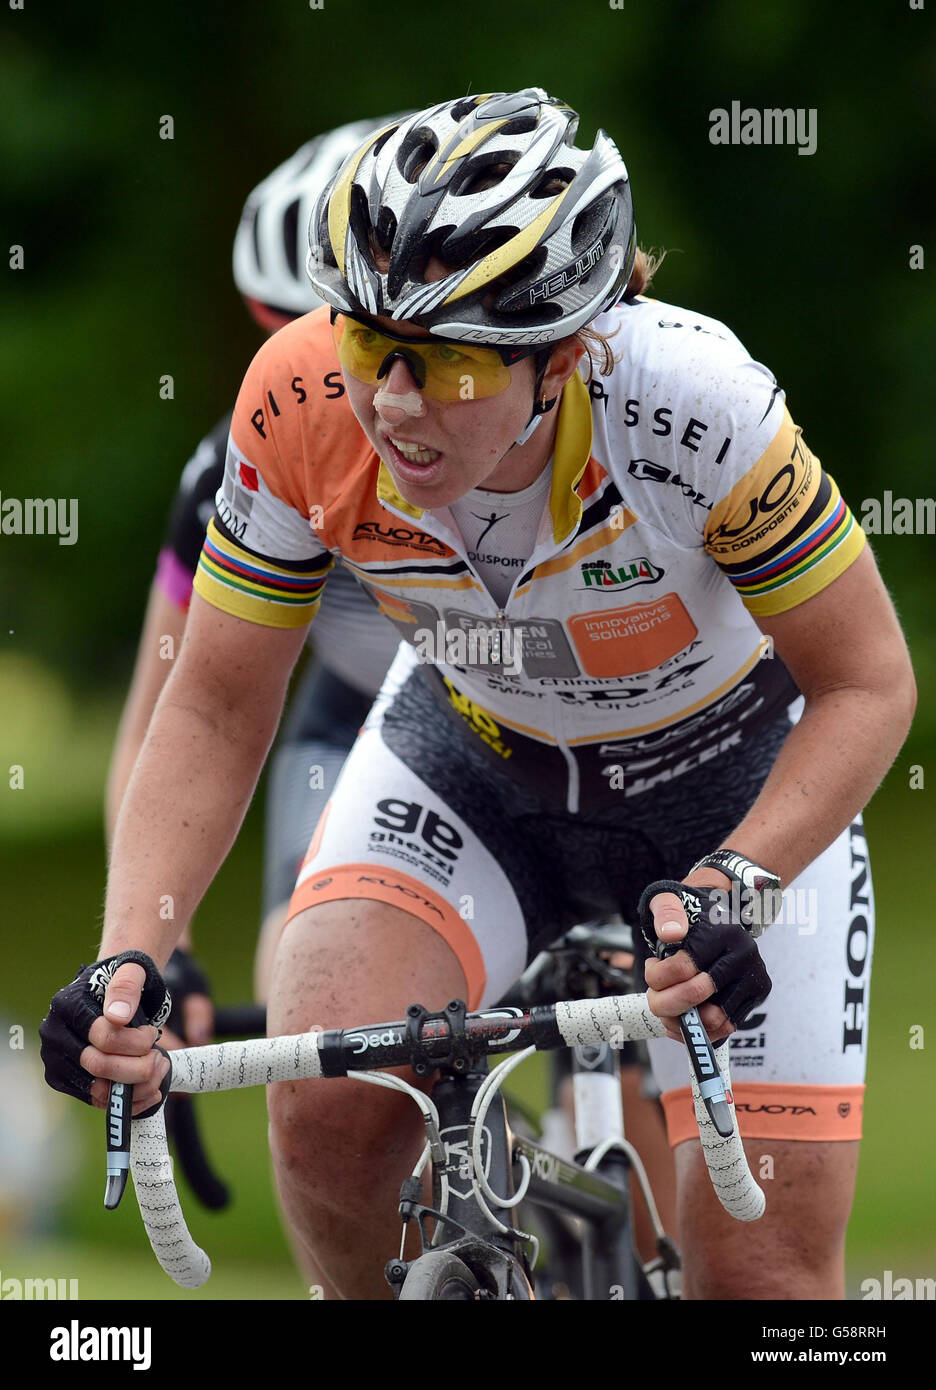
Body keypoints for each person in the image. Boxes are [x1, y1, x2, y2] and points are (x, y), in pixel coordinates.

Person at [41, 88, 915, 1301]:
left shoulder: (694, 408)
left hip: (731, 787)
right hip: (473, 766)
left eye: (445, 360)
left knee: (762, 1274)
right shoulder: (299, 404)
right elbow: (214, 704)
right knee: (331, 1115)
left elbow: (869, 681)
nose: (392, 400)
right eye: (365, 342)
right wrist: (131, 951)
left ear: (560, 354)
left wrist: (739, 879)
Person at [104, 117, 404, 1024]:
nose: (339, 398)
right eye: (273, 341)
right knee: (300, 995)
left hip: (538, 710)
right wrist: (166, 952)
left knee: (616, 1040)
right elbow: (164, 723)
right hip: (353, 709)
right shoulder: (231, 470)